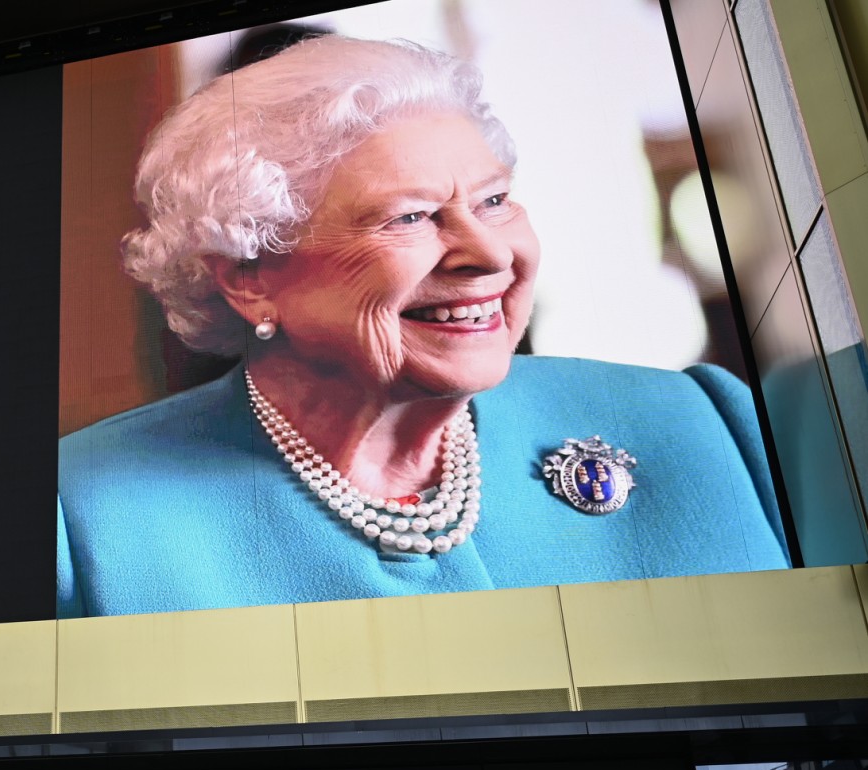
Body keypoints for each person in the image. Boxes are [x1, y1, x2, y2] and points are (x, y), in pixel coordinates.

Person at [57, 35, 787, 619]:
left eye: (495, 200)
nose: (489, 253)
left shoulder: (698, 421)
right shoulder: (86, 515)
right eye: (409, 217)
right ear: (248, 278)